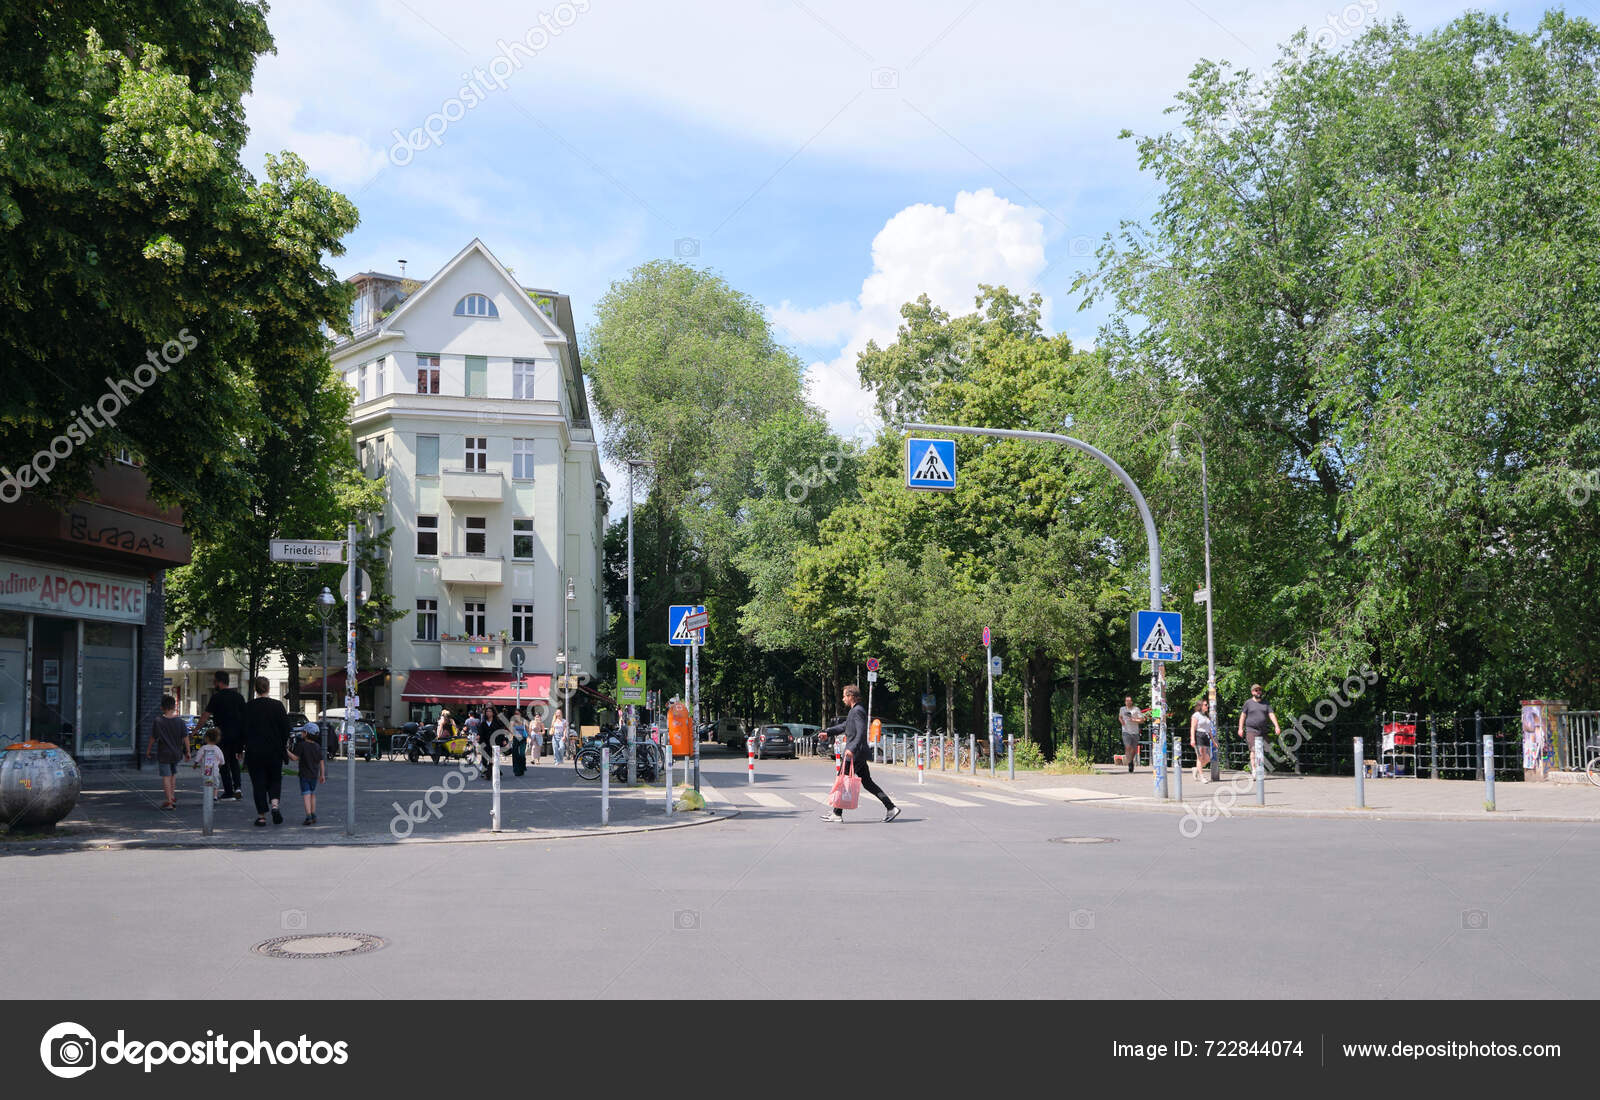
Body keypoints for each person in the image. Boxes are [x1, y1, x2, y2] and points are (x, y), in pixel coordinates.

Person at [820, 685, 899, 823]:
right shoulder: (854, 711)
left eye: (844, 696)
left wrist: (851, 748)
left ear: (851, 696)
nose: (843, 698)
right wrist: (828, 732)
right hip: (858, 753)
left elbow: (862, 732)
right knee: (867, 783)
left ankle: (837, 814)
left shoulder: (858, 711)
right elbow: (844, 726)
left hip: (855, 753)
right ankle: (891, 807)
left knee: (842, 780)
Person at [242, 676, 291, 826]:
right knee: (275, 779)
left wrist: (241, 747)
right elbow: (286, 729)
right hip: (274, 751)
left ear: (256, 689)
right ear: (268, 688)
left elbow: (243, 730)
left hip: (255, 751)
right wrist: (283, 745)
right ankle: (275, 805)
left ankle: (261, 816)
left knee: (258, 783)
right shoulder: (278, 706)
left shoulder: (249, 707)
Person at [192, 671, 247, 800]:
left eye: (215, 681)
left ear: (220, 682)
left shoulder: (216, 697)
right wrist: (243, 739)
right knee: (234, 761)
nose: (214, 684)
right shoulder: (239, 697)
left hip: (221, 734)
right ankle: (238, 787)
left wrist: (196, 730)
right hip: (237, 734)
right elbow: (245, 718)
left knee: (222, 763)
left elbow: (205, 715)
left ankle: (228, 791)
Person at [145, 694, 190, 810]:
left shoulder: (158, 721)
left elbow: (153, 737)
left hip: (164, 753)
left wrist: (148, 750)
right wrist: (188, 752)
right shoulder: (180, 721)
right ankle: (172, 796)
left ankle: (169, 802)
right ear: (174, 707)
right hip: (176, 753)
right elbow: (185, 737)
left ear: (162, 708)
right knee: (173, 775)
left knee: (166, 776)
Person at [1238, 683, 1281, 778]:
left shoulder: (1266, 703)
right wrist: (1240, 728)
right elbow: (1243, 716)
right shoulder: (1248, 703)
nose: (1258, 692)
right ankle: (1254, 770)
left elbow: (1271, 714)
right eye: (1256, 690)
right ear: (1252, 692)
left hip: (1263, 730)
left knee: (1261, 750)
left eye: (1259, 690)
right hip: (1251, 730)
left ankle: (1259, 768)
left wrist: (1276, 726)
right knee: (1254, 750)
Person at [288, 721, 326, 825]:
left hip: (304, 775)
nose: (302, 734)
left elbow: (294, 758)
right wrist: (322, 775)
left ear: (306, 733)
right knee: (313, 794)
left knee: (306, 795)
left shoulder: (302, 745)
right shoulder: (317, 747)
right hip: (314, 775)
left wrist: (286, 751)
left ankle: (308, 816)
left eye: (303, 732)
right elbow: (321, 761)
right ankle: (313, 814)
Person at [192, 727, 226, 803]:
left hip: (206, 771)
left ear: (206, 738)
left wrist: (195, 764)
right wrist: (220, 765)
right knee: (216, 784)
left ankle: (207, 795)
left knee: (207, 783)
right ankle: (215, 796)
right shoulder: (217, 749)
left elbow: (198, 756)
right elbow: (222, 760)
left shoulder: (203, 748)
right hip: (215, 771)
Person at [1118, 695, 1147, 773]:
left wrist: (1133, 720)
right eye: (1126, 701)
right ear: (1125, 702)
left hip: (1135, 732)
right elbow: (1120, 717)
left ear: (1132, 702)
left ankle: (1131, 760)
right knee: (1127, 747)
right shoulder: (1122, 709)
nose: (1128, 702)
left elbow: (1142, 720)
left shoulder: (1136, 709)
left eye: (1129, 701)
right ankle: (1130, 763)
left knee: (1134, 749)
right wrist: (1122, 722)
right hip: (1125, 731)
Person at [1189, 699, 1215, 783]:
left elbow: (1209, 730)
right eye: (1205, 705)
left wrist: (1213, 741)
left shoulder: (1206, 716)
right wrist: (1192, 739)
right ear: (1200, 706)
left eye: (1207, 705)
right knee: (1200, 758)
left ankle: (1196, 769)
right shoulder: (1196, 715)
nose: (1207, 706)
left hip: (1206, 737)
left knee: (1207, 758)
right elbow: (1193, 727)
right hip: (1198, 736)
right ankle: (1202, 777)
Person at [510, 710, 529, 776]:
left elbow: (527, 730)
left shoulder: (524, 721)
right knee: (515, 754)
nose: (516, 715)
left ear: (521, 714)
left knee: (522, 754)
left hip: (523, 739)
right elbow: (511, 731)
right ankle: (516, 770)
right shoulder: (512, 722)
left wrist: (529, 738)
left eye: (518, 713)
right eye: (515, 714)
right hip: (515, 738)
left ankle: (522, 768)